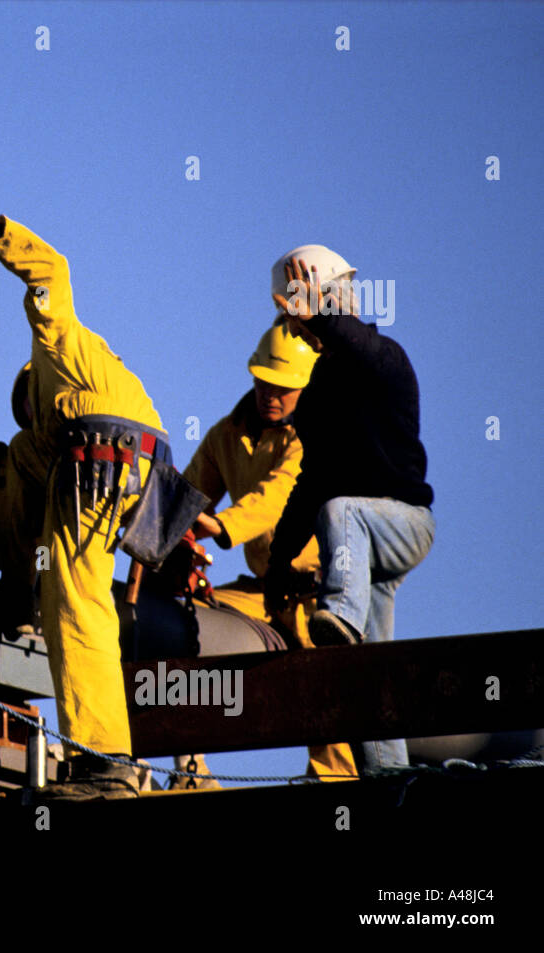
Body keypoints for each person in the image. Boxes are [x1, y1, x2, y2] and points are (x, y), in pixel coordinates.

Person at [0, 168, 187, 800]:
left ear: (29, 389)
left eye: (24, 410)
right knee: (26, 473)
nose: (26, 419)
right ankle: (16, 597)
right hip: (137, 470)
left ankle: (105, 763)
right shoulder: (70, 411)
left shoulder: (57, 345)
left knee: (76, 604)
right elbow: (3, 465)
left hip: (104, 456)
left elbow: (51, 270)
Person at [264, 247, 434, 774]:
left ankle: (341, 613)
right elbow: (310, 484)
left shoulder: (385, 359)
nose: (299, 330)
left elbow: (358, 346)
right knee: (363, 671)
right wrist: (278, 564)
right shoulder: (320, 393)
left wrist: (319, 312)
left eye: (303, 318)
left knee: (341, 512)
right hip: (360, 553)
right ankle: (389, 777)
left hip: (405, 524)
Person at [180, 320, 357, 784]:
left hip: (316, 593)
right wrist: (155, 520)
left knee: (325, 681)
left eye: (284, 388)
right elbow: (187, 496)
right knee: (181, 620)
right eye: (264, 383)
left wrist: (221, 526)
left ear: (306, 389)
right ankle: (191, 769)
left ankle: (336, 786)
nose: (271, 396)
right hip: (263, 591)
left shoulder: (312, 436)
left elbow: (277, 495)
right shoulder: (226, 436)